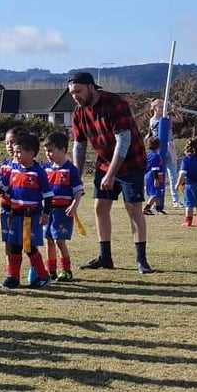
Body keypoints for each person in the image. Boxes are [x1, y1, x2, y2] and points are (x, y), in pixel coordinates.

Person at [67, 72, 154, 274]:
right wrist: (76, 176)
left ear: (90, 87)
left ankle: (142, 260)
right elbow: (79, 146)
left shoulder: (115, 104)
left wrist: (112, 174)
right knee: (100, 207)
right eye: (72, 93)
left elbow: (124, 141)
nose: (75, 96)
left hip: (130, 162)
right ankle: (105, 257)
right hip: (104, 163)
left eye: (78, 91)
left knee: (133, 208)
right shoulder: (79, 113)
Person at [0, 132, 53, 289]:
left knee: (29, 248)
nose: (16, 155)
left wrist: (46, 213)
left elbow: (48, 196)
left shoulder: (38, 172)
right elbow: (3, 188)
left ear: (32, 153)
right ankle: (13, 277)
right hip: (15, 216)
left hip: (30, 217)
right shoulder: (13, 169)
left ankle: (43, 276)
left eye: (20, 151)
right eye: (15, 151)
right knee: (14, 246)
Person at [42, 132, 84, 282]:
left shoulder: (70, 170)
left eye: (52, 150)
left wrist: (74, 205)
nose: (48, 154)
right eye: (46, 150)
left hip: (63, 211)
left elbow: (78, 190)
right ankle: (51, 270)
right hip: (47, 211)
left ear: (63, 150)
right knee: (48, 240)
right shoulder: (45, 169)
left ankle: (66, 271)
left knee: (59, 241)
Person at [147, 98, 181, 208]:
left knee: (173, 175)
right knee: (158, 175)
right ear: (154, 108)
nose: (162, 108)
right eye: (160, 106)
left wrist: (175, 111)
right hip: (158, 149)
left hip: (169, 146)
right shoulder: (152, 120)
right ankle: (155, 200)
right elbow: (151, 133)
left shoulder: (167, 117)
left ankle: (175, 200)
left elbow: (180, 120)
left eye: (163, 106)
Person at [143, 137, 166, 216]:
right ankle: (146, 208)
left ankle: (158, 208)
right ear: (158, 146)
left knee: (157, 192)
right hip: (152, 176)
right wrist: (156, 179)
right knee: (155, 193)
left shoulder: (147, 155)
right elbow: (155, 168)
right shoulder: (156, 156)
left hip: (147, 175)